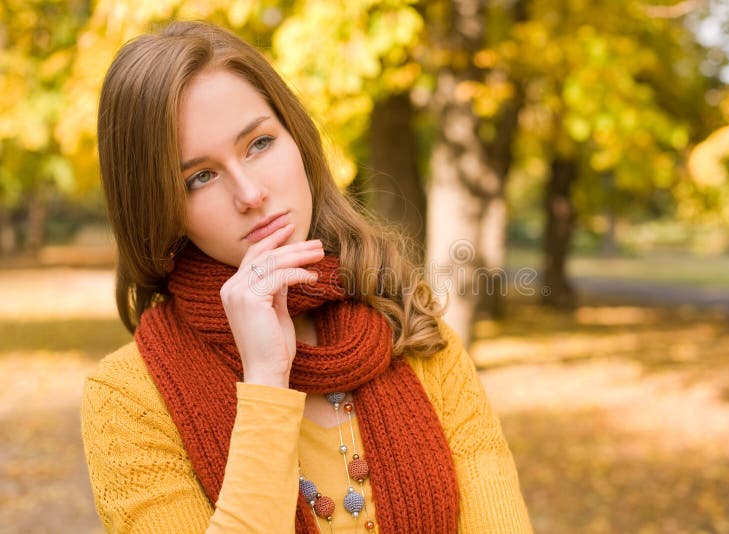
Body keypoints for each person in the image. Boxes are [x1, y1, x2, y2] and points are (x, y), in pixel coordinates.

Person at [80, 20, 533, 534]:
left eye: (259, 143)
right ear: (159, 208)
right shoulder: (127, 400)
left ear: (298, 139)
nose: (250, 193)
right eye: (199, 177)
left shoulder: (410, 327)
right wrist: (266, 380)